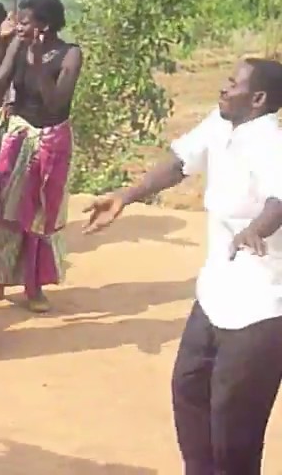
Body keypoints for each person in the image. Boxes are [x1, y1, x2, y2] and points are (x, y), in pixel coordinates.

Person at [84, 57, 282, 475]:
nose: (224, 88)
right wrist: (126, 195)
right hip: (216, 293)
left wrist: (256, 230)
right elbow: (179, 163)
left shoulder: (268, 142)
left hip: (262, 306)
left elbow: (278, 199)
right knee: (189, 391)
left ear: (259, 99)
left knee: (234, 427)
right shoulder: (222, 124)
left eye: (233, 83)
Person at [0, 0, 82, 312]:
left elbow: (56, 102)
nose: (19, 27)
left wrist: (39, 62)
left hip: (51, 140)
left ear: (45, 25)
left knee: (40, 214)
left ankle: (34, 285)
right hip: (19, 133)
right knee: (5, 207)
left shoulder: (69, 54)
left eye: (25, 22)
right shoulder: (18, 44)